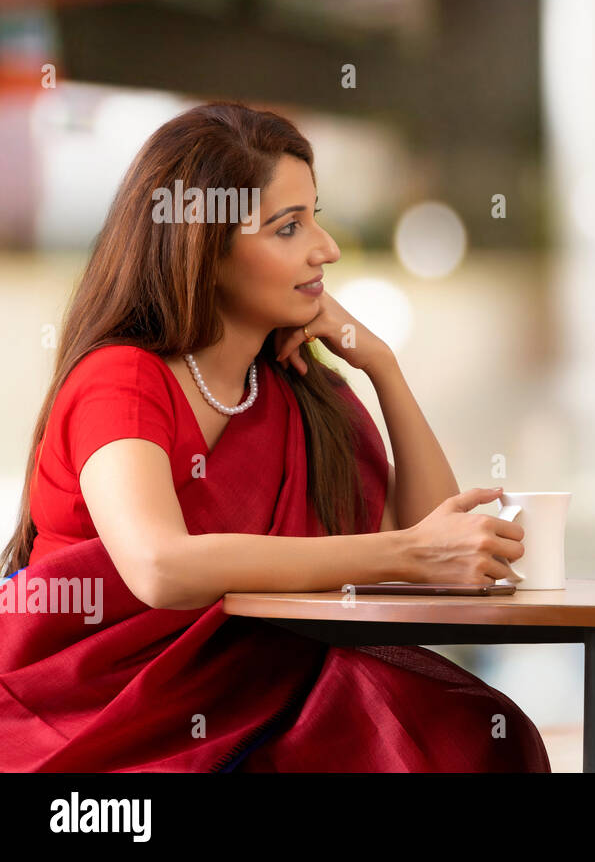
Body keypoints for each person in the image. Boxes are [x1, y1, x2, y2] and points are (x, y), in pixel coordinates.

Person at [0, 101, 550, 772]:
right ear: (203, 245)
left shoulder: (298, 390)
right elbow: (160, 567)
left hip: (261, 703)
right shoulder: (122, 381)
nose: (327, 248)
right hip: (91, 727)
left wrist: (383, 366)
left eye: (315, 215)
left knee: (466, 732)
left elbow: (435, 545)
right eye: (288, 227)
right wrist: (407, 554)